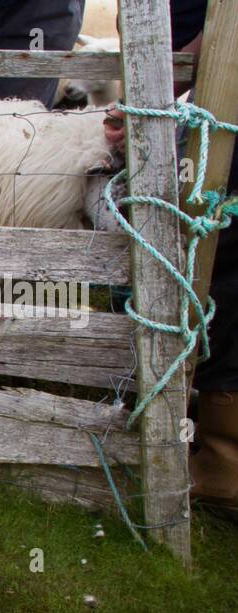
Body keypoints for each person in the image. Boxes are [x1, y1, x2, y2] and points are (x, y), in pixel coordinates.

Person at [102, 1, 236, 516]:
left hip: (207, 86)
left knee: (218, 263)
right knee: (200, 256)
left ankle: (218, 460)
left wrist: (156, 88)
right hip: (192, 82)